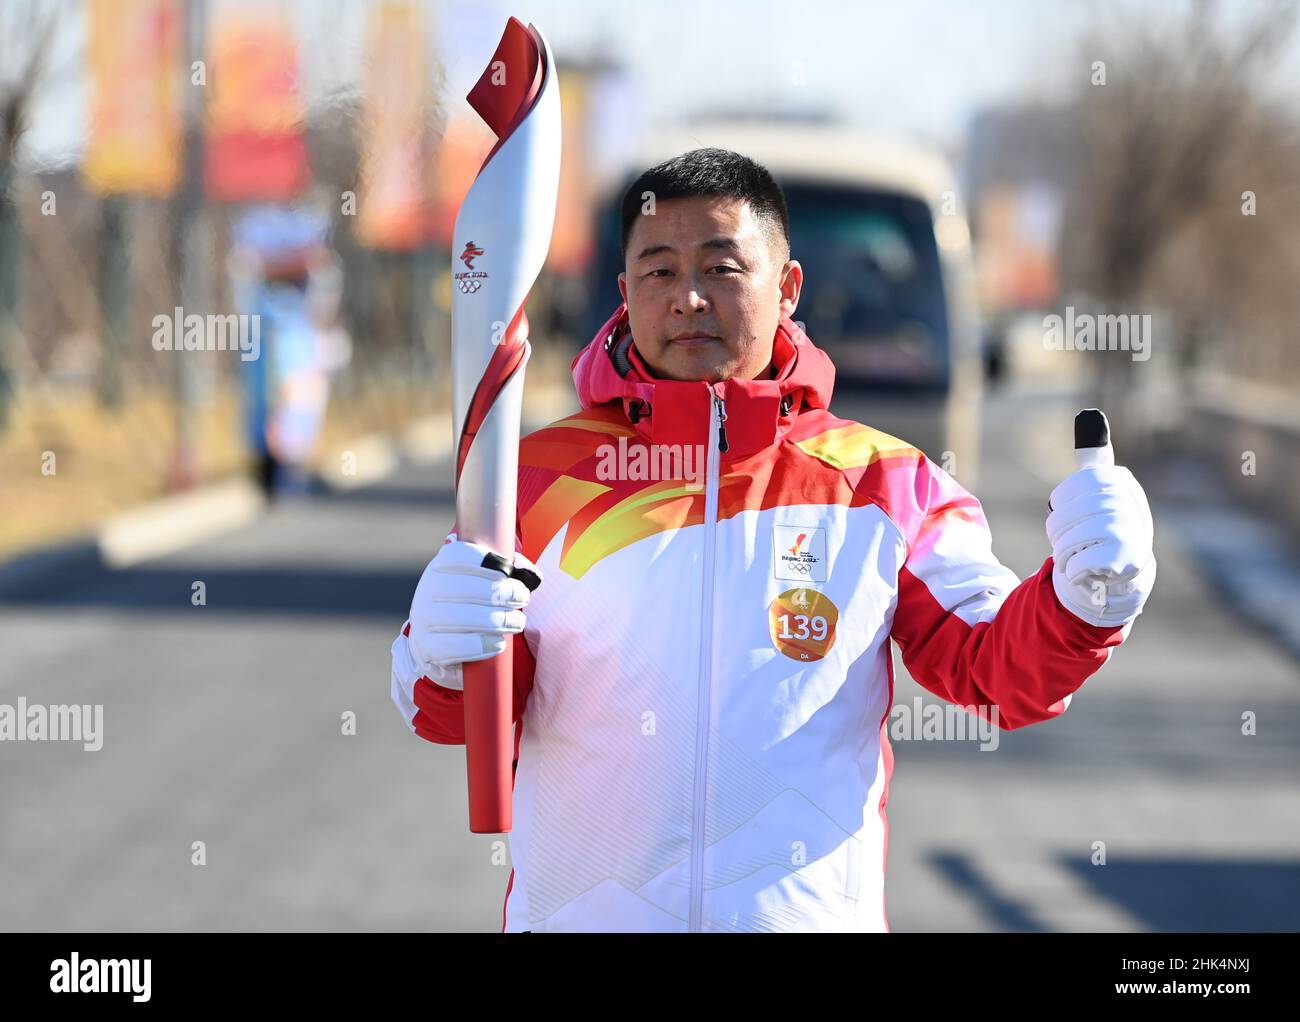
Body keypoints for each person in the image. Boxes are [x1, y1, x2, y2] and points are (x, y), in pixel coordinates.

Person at [389, 148, 1157, 933]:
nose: (688, 298)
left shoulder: (887, 486)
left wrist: (1081, 603)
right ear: (623, 294)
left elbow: (997, 671)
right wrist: (437, 659)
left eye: (722, 267)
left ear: (786, 288)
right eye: (658, 272)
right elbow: (463, 714)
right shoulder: (532, 482)